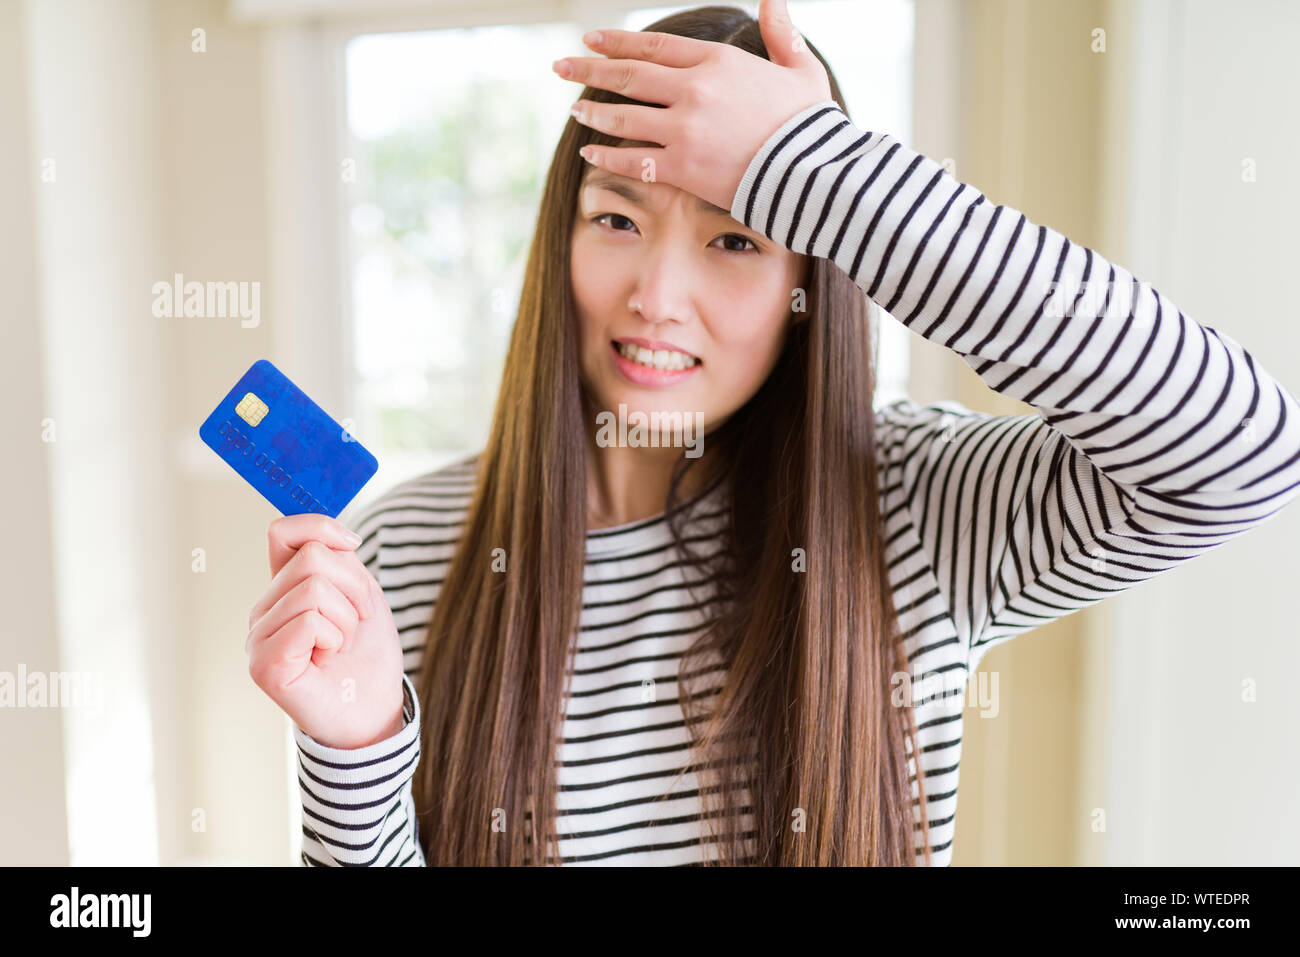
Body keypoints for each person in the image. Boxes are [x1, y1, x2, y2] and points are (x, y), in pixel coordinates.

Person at [245, 0, 1300, 866]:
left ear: (812, 274)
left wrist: (819, 169)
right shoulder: (402, 550)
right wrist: (357, 750)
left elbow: (1241, 452)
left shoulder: (911, 512)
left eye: (735, 238)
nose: (657, 296)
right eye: (617, 218)